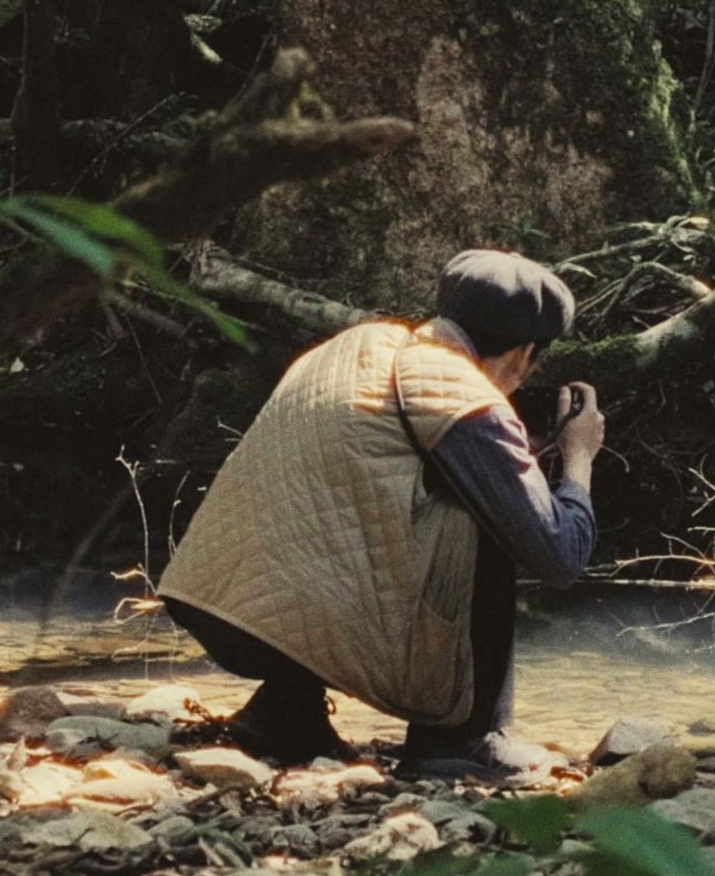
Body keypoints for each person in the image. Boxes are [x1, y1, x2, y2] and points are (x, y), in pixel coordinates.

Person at [156, 249, 607, 776]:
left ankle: (287, 709)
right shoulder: (467, 397)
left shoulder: (355, 346)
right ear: (524, 353)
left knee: (325, 518)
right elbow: (559, 554)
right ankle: (461, 738)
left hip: (211, 608)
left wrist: (515, 455)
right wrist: (578, 456)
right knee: (483, 525)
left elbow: (368, 496)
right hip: (291, 629)